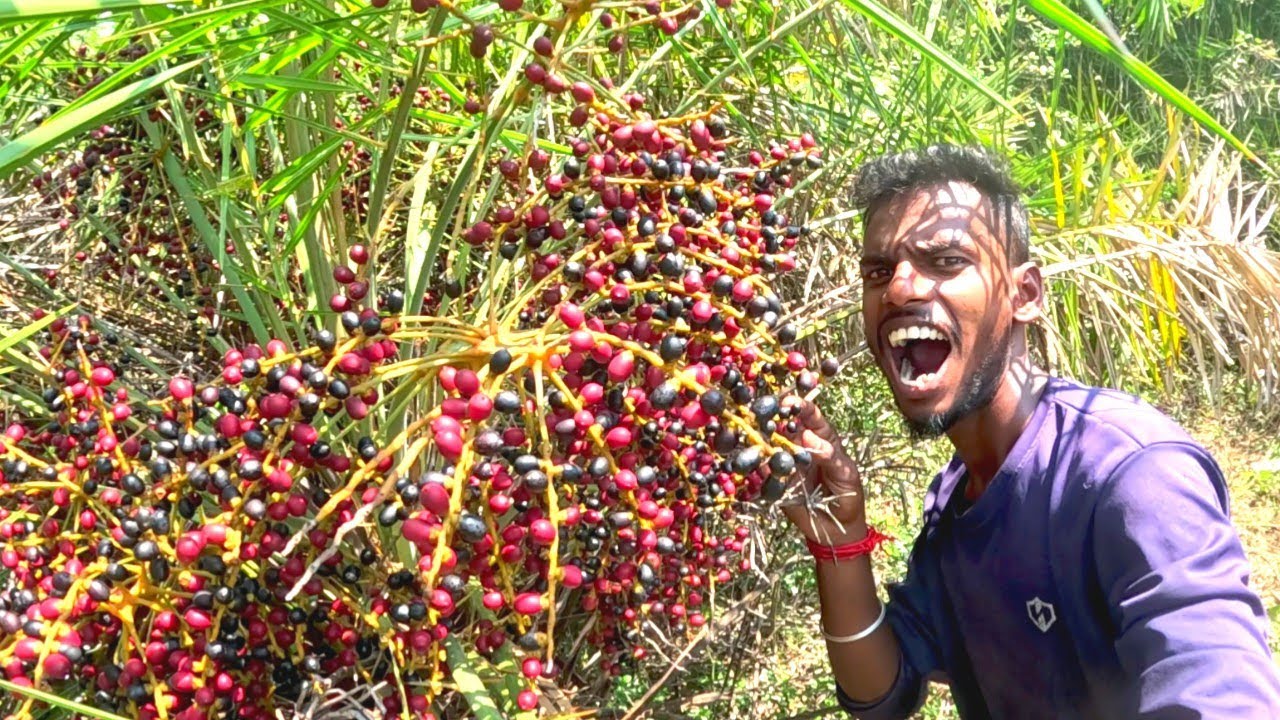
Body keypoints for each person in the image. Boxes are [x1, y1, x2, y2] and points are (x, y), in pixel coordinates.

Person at [780, 144, 1280, 719]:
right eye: (878, 271)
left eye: (946, 261)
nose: (899, 288)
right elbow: (883, 693)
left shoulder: (1130, 474)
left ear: (1025, 296)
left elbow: (1221, 689)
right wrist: (840, 543)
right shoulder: (955, 504)